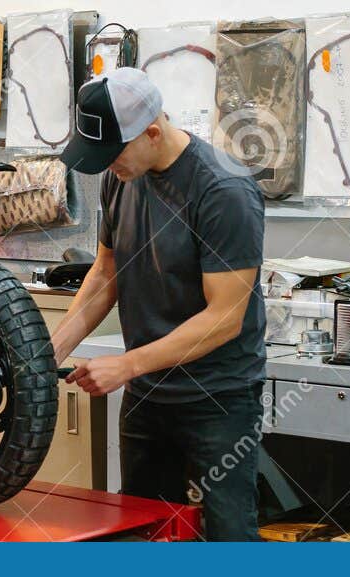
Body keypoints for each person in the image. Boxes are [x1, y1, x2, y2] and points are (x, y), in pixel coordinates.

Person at [51, 68, 267, 541]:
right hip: (149, 397)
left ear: (152, 131)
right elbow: (107, 273)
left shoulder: (224, 190)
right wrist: (54, 348)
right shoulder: (123, 177)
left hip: (217, 401)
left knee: (228, 538)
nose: (108, 166)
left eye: (113, 154)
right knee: (145, 533)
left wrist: (126, 365)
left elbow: (225, 318)